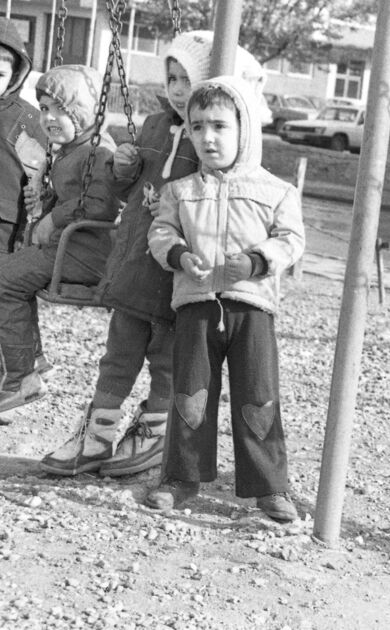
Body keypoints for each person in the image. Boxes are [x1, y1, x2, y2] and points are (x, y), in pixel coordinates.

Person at [39, 32, 266, 477]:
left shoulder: (218, 135)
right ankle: (97, 434)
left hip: (179, 271)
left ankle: (153, 428)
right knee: (118, 352)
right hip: (135, 259)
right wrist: (122, 167)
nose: (178, 89)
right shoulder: (157, 125)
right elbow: (128, 187)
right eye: (172, 77)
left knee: (166, 357)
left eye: (187, 79)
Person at [144, 76, 305, 522]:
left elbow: (292, 240)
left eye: (219, 126)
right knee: (191, 393)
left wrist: (256, 261)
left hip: (251, 308)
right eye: (197, 127)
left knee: (258, 397)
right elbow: (161, 231)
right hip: (196, 304)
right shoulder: (181, 190)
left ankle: (269, 486)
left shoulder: (277, 191)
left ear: (244, 129)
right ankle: (182, 477)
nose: (207, 137)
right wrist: (179, 254)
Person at [0, 65, 120, 412]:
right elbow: (70, 195)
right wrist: (44, 200)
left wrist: (54, 217)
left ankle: (21, 376)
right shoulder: (70, 151)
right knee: (10, 275)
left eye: (59, 110)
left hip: (85, 252)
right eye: (44, 108)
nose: (49, 118)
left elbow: (101, 204)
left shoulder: (98, 152)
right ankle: (31, 361)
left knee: (4, 280)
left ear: (82, 112)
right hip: (67, 247)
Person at [0, 18, 47, 256]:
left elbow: (39, 177)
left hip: (4, 224)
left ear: (15, 76)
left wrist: (25, 232)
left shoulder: (26, 119)